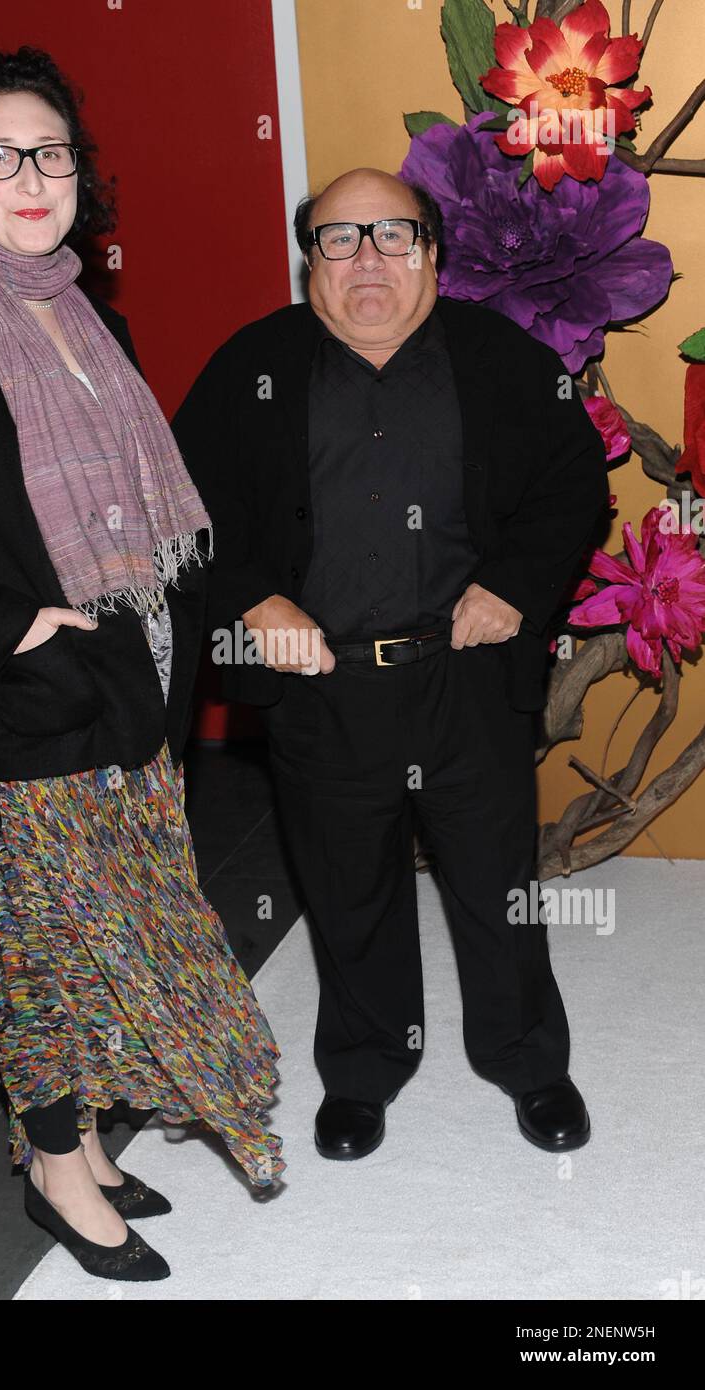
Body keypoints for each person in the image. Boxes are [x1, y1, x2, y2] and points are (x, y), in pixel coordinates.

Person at [0, 46, 284, 1283]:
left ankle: (83, 1139)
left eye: (51, 152)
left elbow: (140, 516)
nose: (29, 175)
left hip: (132, 701)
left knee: (115, 935)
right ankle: (51, 1169)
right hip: (18, 707)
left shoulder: (89, 313)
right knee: (42, 954)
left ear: (80, 172)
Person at [171, 167, 610, 1165]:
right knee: (345, 888)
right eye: (338, 238)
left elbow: (572, 476)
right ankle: (364, 1070)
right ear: (308, 261)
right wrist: (249, 596)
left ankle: (525, 1059)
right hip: (324, 690)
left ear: (432, 252)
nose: (366, 257)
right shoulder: (253, 367)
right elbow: (183, 501)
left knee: (495, 884)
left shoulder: (496, 357)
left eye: (391, 235)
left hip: (465, 678)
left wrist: (510, 581)